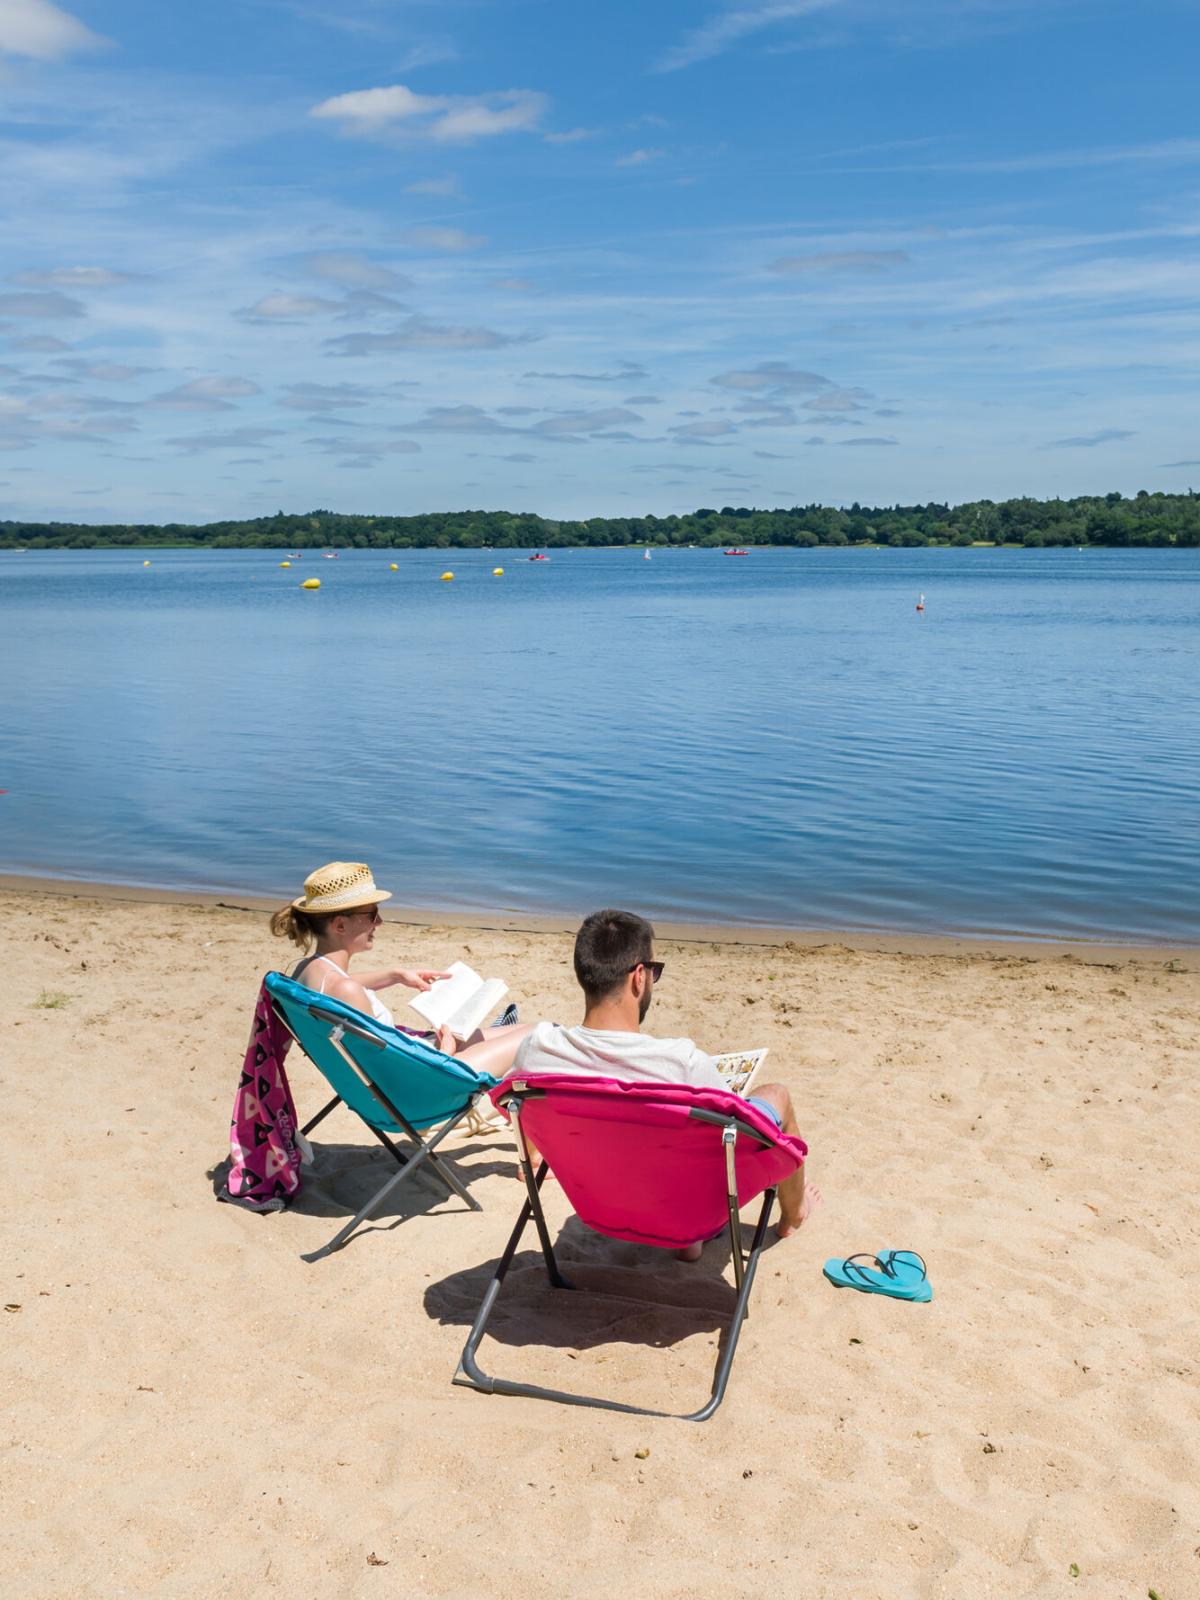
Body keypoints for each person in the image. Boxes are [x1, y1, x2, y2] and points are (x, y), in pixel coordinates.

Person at [512, 908, 819, 1252]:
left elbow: (525, 1119)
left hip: (597, 1208)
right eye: (654, 971)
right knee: (776, 1095)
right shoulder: (680, 1062)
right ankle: (793, 1215)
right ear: (639, 977)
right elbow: (740, 1135)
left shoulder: (537, 1049)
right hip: (683, 1213)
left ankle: (689, 1243)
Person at [270, 861, 532, 1079]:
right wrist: (447, 1051)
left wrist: (395, 975)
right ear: (340, 925)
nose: (380, 922)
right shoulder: (347, 990)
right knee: (538, 1036)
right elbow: (385, 1072)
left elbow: (340, 986)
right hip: (427, 1079)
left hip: (410, 1061)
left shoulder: (308, 972)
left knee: (529, 1029)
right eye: (372, 915)